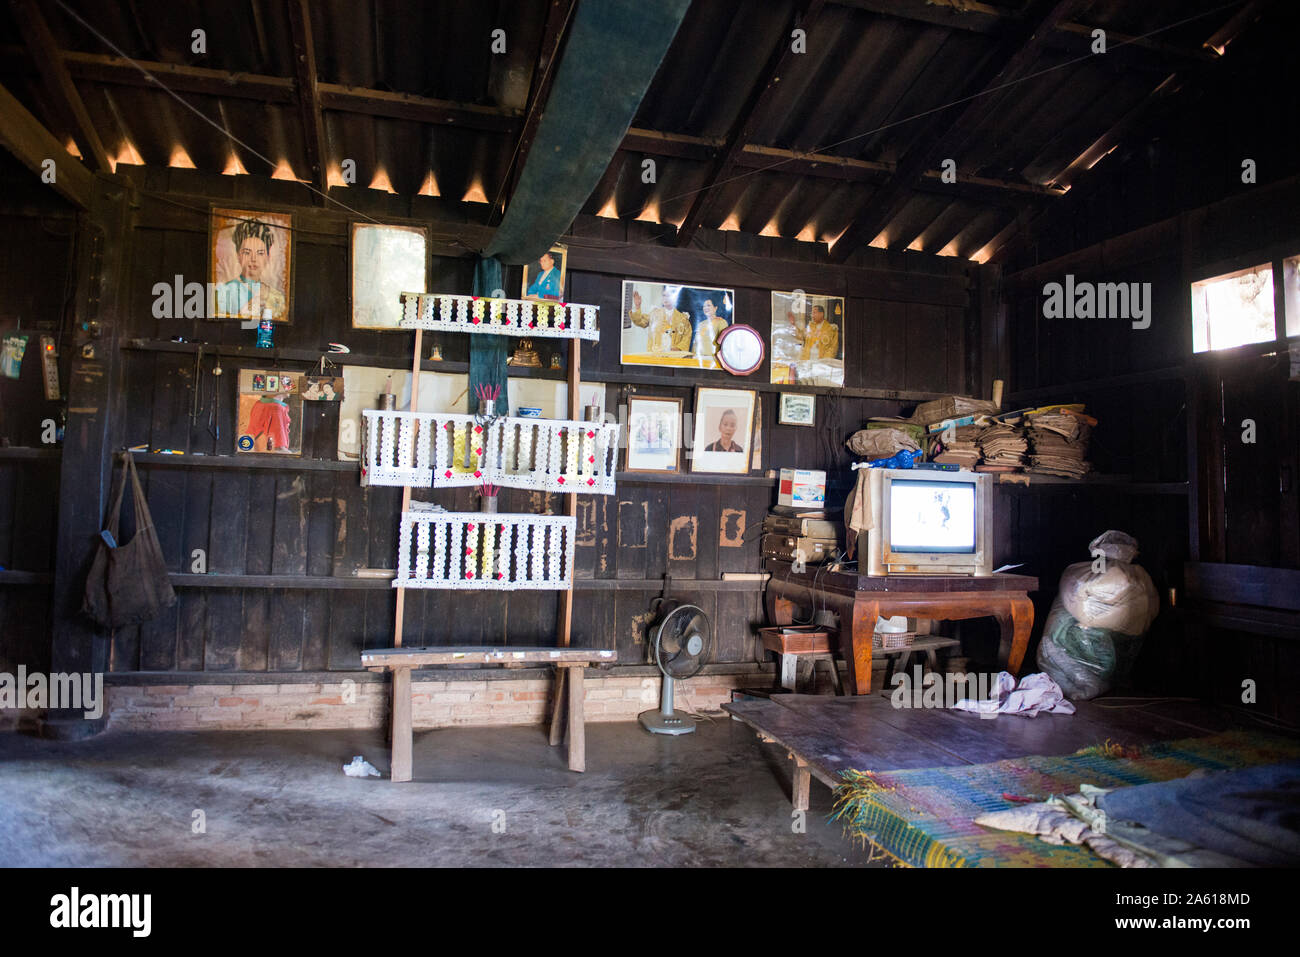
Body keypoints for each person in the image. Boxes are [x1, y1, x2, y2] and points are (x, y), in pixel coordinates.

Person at [217, 218, 286, 320]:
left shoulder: (277, 297)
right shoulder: (224, 291)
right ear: (238, 255)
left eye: (260, 253)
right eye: (247, 252)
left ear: (268, 256)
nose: (253, 259)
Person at [629, 286, 691, 354]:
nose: (665, 298)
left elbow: (687, 336)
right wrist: (637, 307)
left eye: (668, 296)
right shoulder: (654, 313)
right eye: (664, 295)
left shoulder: (682, 318)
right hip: (656, 353)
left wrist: (678, 348)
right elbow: (640, 322)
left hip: (674, 355)